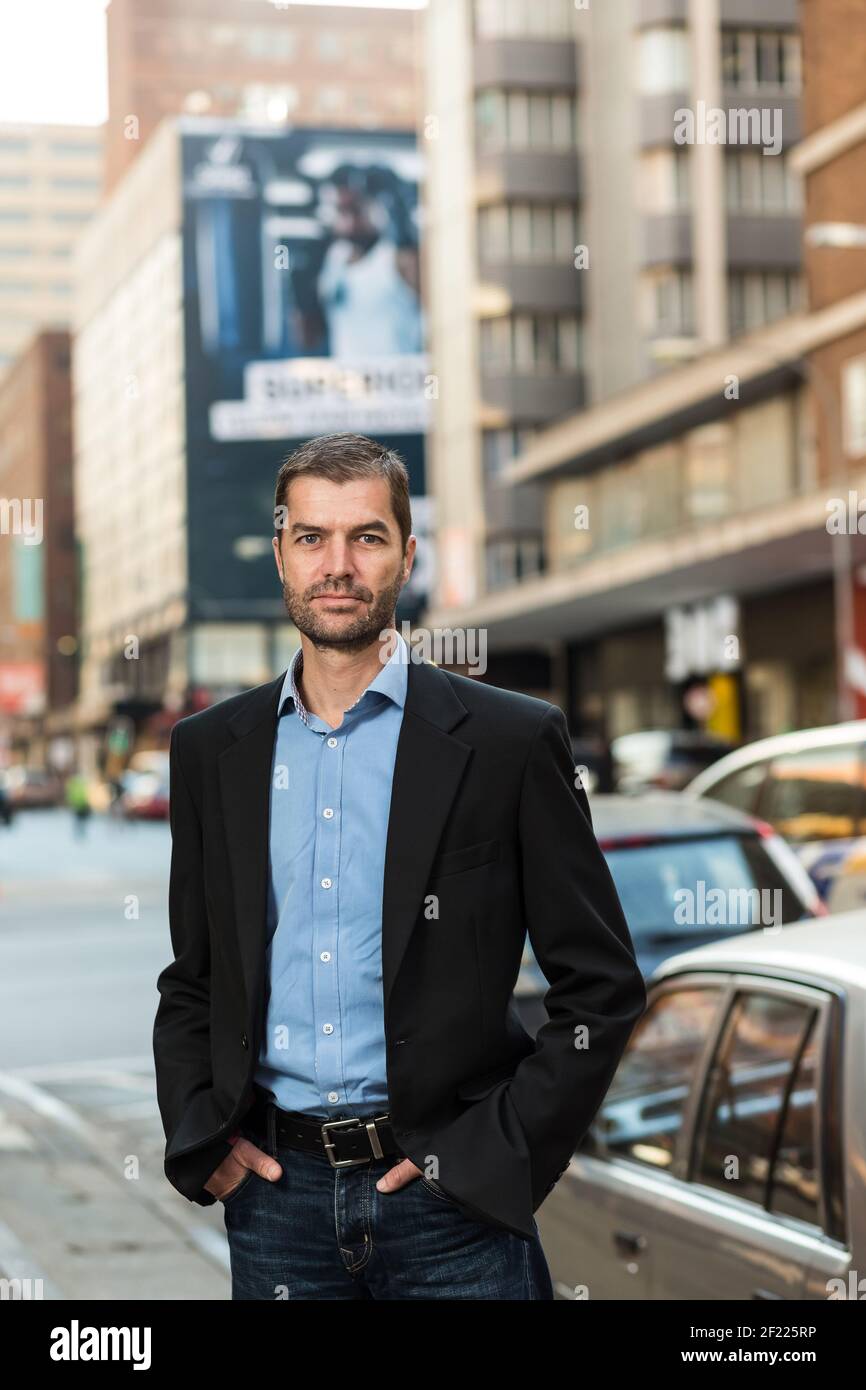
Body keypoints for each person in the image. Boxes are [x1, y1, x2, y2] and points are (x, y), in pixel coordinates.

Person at [153, 432, 646, 1300]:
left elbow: (601, 987)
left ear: (407, 556)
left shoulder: (508, 740)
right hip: (277, 1204)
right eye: (311, 537)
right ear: (280, 554)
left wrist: (496, 1157)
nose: (337, 564)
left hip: (451, 1209)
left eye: (367, 537)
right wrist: (204, 1132)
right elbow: (194, 978)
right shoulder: (210, 751)